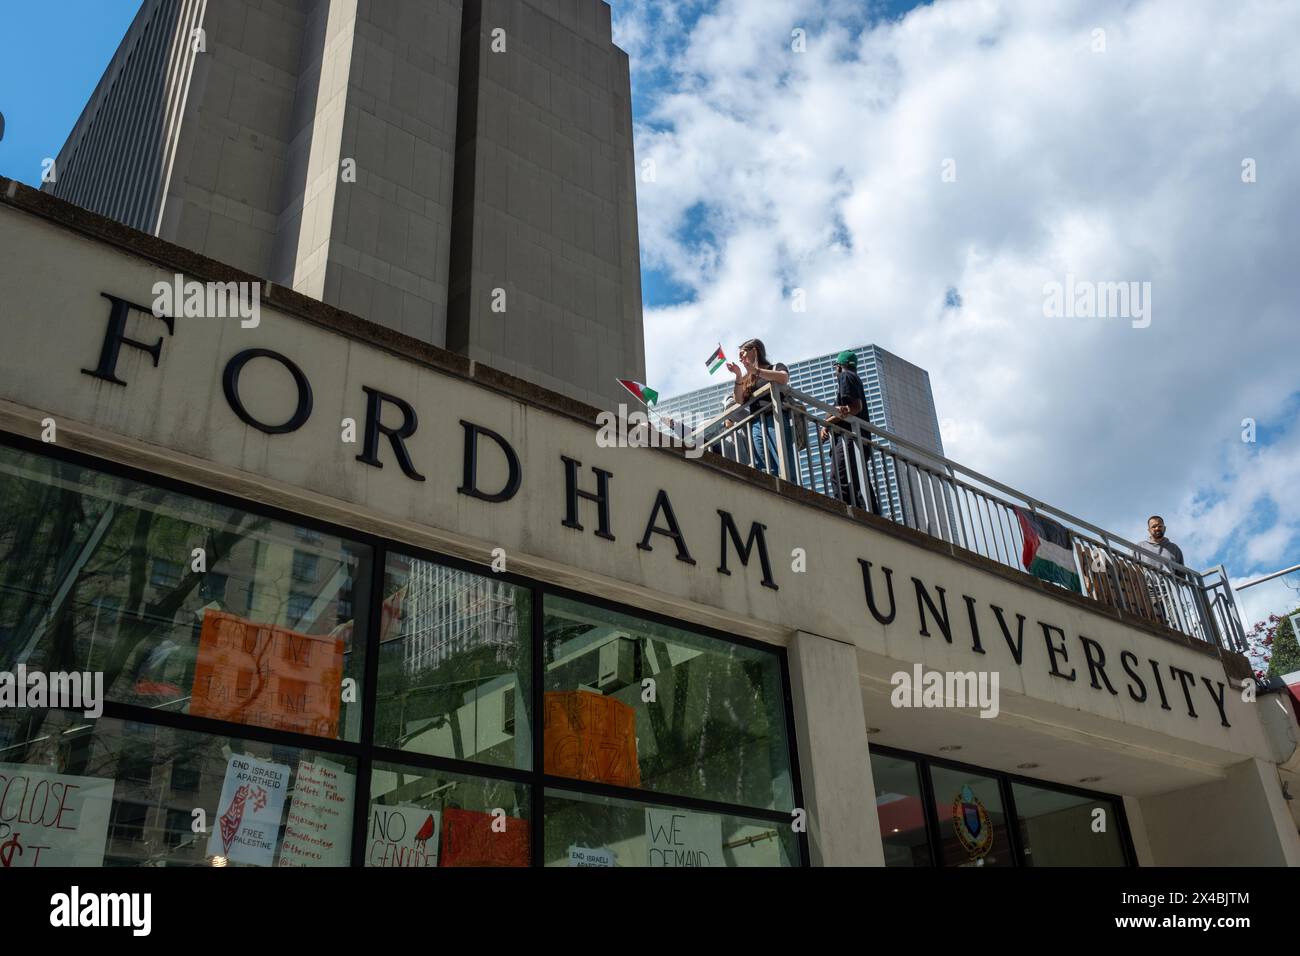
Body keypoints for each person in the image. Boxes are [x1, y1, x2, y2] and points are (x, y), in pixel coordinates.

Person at [818, 350, 879, 514]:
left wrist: (826, 424)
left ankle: (846, 514)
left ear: (839, 366)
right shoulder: (854, 378)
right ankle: (873, 515)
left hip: (849, 439)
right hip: (858, 439)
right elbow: (839, 408)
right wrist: (827, 424)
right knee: (858, 479)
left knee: (838, 476)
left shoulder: (845, 377)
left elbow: (854, 407)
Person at [727, 339, 794, 477]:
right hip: (757, 423)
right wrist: (739, 376)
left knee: (782, 459)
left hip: (775, 417)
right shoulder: (747, 378)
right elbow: (738, 399)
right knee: (764, 466)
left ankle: (790, 486)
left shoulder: (774, 367)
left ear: (754, 350)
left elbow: (783, 378)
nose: (740, 357)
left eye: (742, 352)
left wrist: (756, 371)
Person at [1136, 515, 1185, 624]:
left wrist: (1175, 587)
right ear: (1149, 530)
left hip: (1170, 592)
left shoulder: (1174, 549)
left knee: (1177, 622)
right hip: (1149, 592)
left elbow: (1181, 574)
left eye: (1160, 526)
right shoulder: (1140, 546)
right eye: (1153, 526)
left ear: (1164, 528)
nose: (1157, 528)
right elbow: (1134, 568)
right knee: (1156, 623)